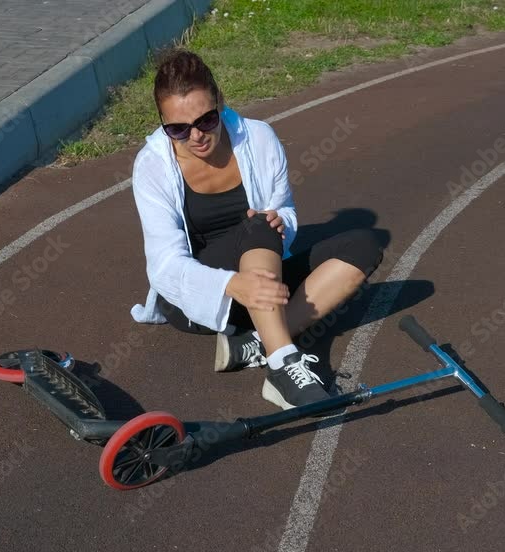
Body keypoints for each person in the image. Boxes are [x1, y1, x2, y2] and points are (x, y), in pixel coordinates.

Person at [130, 49, 383, 410]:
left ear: (220, 102)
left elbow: (285, 212)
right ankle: (283, 368)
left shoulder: (259, 138)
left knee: (363, 245)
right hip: (200, 299)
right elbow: (164, 267)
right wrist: (233, 284)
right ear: (162, 124)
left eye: (206, 120)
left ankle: (256, 343)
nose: (196, 136)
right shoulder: (152, 167)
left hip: (261, 286)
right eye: (178, 129)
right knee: (259, 225)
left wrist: (283, 223)